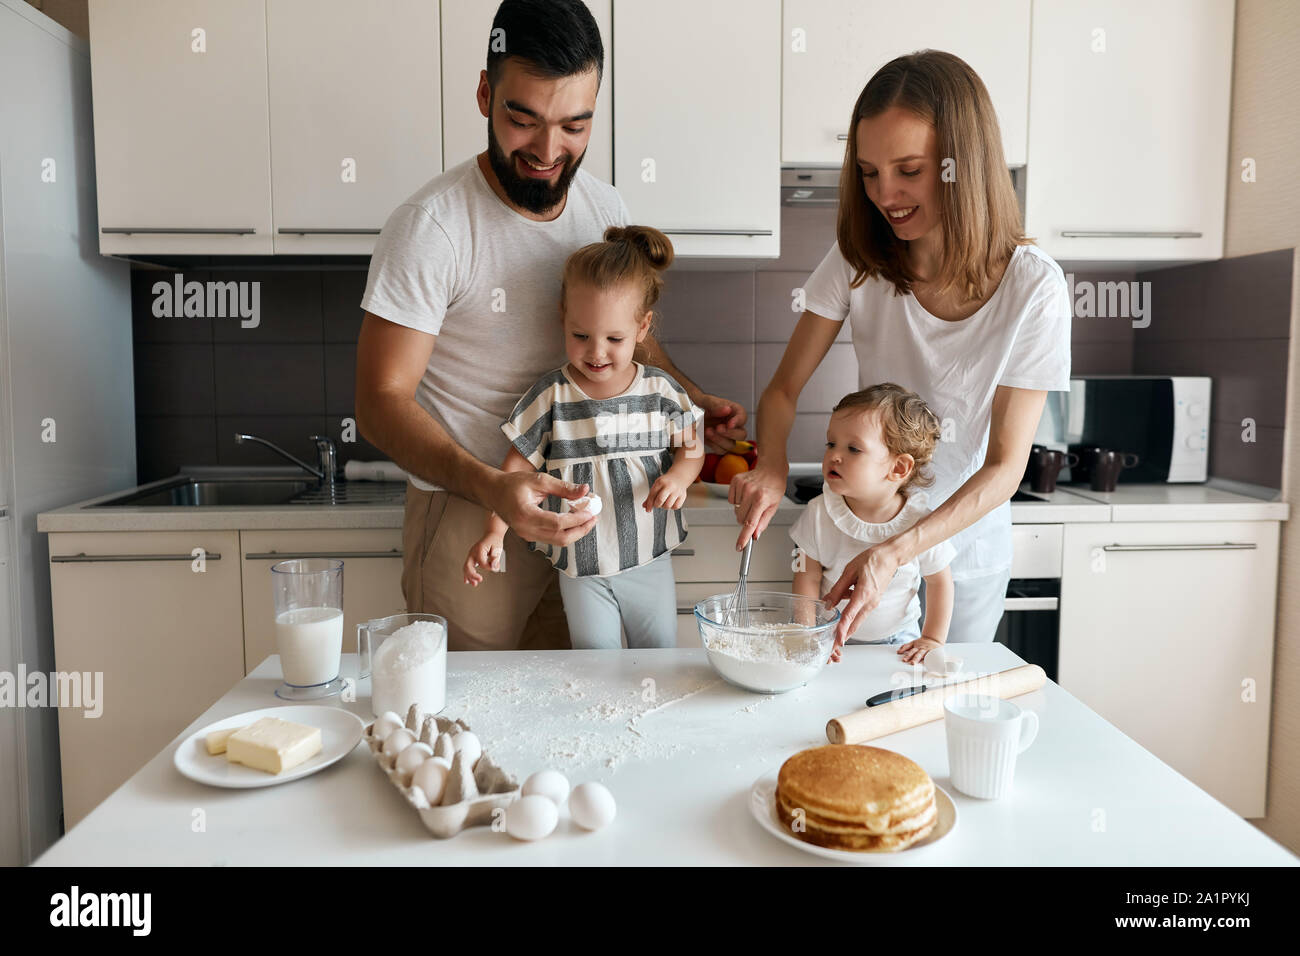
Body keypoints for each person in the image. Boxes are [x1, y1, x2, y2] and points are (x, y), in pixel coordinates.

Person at [354, 0, 746, 652]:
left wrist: (691, 396)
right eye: (523, 118)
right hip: (472, 509)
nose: (546, 150)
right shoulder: (433, 226)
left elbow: (629, 335)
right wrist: (494, 489)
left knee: (586, 713)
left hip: (595, 517)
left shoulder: (604, 206)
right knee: (470, 723)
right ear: (485, 93)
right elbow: (379, 402)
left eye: (574, 125)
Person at [731, 50, 1071, 645]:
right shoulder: (859, 262)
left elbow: (1005, 466)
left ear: (961, 164)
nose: (885, 195)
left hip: (962, 558)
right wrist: (773, 464)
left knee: (938, 715)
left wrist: (900, 550)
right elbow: (783, 389)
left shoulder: (1033, 288)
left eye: (909, 170)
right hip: (862, 544)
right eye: (868, 172)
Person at [463, 226, 703, 649]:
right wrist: (494, 531)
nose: (596, 352)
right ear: (563, 318)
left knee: (659, 661)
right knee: (596, 670)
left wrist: (681, 477)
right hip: (581, 569)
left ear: (643, 327)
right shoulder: (550, 397)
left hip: (649, 561)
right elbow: (514, 473)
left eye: (614, 339)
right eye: (581, 336)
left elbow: (693, 446)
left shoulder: (660, 392)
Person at [789, 385, 954, 665]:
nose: (835, 455)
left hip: (900, 641)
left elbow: (940, 581)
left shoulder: (920, 523)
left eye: (853, 448)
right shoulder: (818, 513)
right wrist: (810, 635)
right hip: (833, 639)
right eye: (831, 444)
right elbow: (806, 576)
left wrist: (933, 639)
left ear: (899, 468)